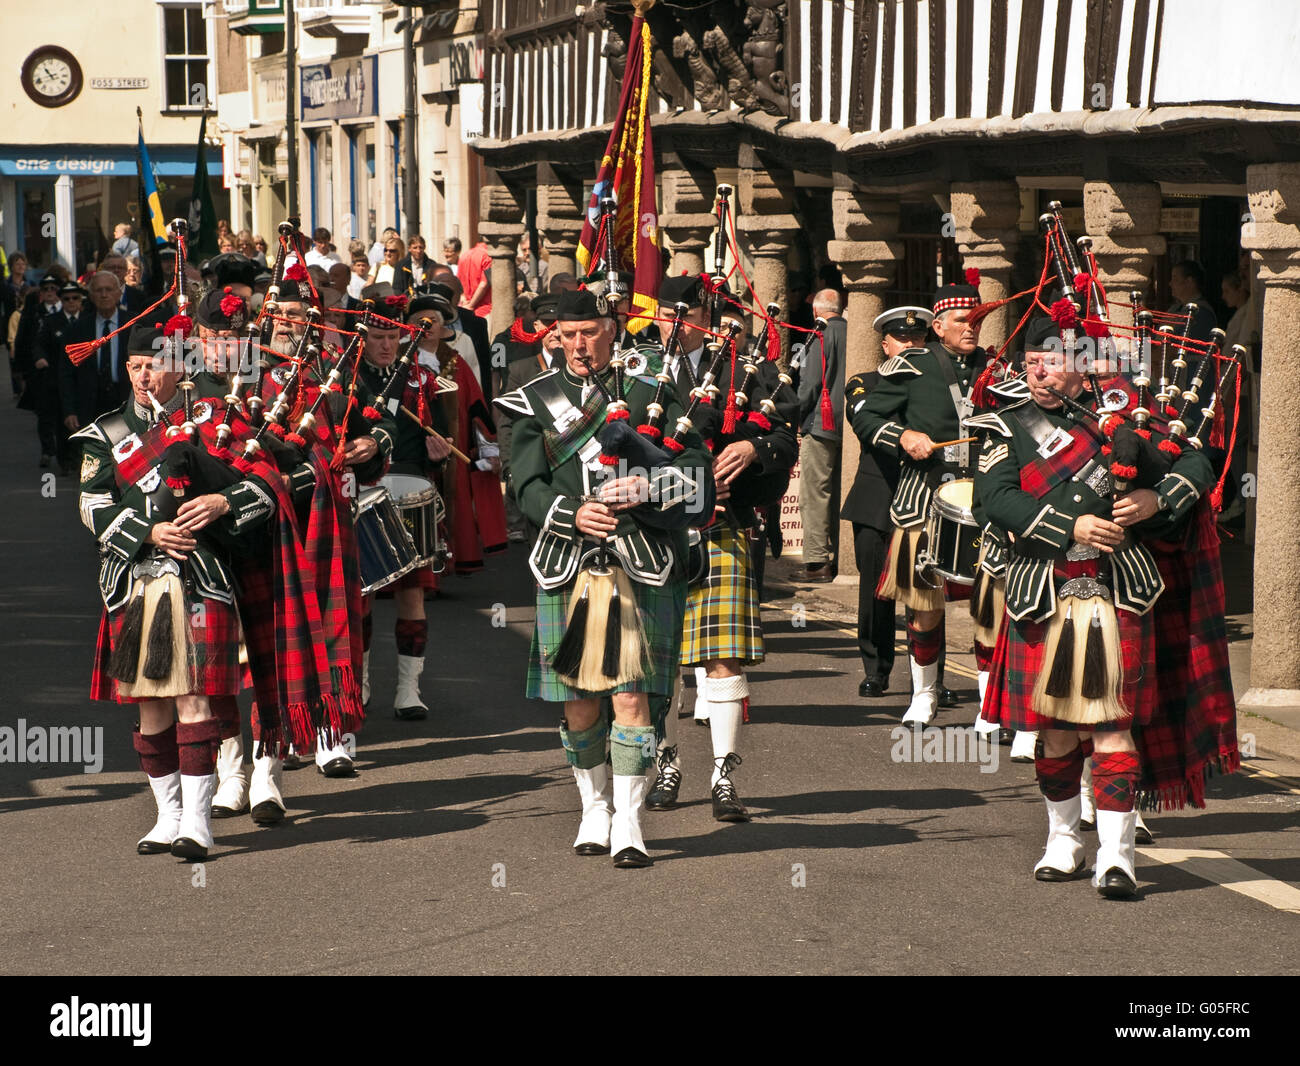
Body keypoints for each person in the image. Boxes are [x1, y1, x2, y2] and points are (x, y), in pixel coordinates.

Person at [977, 317, 1227, 897]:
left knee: (1115, 729)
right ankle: (1063, 842)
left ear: (1084, 364)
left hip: (1120, 591)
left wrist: (1153, 497)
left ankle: (1116, 858)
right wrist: (1072, 525)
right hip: (1044, 591)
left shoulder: (1127, 420)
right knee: (1057, 733)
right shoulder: (1007, 427)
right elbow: (997, 500)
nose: (1039, 372)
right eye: (1032, 363)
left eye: (1053, 360)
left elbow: (1198, 463)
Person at [499, 287, 713, 866]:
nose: (576, 346)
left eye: (587, 333)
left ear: (611, 328)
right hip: (571, 561)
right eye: (566, 336)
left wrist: (650, 487)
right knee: (578, 704)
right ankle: (594, 807)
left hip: (640, 554)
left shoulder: (653, 390)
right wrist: (569, 512)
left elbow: (695, 468)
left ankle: (629, 822)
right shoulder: (533, 400)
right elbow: (527, 483)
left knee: (633, 699)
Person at [73, 321, 285, 859]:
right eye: (137, 366)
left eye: (156, 365)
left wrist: (223, 503)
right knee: (150, 703)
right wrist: (147, 531)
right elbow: (92, 504)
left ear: (178, 365)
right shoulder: (108, 432)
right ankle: (167, 816)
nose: (146, 376)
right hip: (135, 580)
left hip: (201, 574)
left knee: (193, 696)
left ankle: (198, 822)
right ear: (126, 369)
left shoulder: (213, 420)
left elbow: (266, 483)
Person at [643, 274, 798, 822]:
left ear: (708, 318)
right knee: (659, 659)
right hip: (652, 529)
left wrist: (754, 448)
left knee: (720, 656)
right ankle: (665, 762)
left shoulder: (746, 368)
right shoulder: (635, 367)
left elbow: (784, 436)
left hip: (724, 525)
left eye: (685, 314)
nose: (675, 323)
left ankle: (723, 774)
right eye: (666, 313)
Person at [848, 275, 989, 725]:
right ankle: (924, 695)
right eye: (964, 322)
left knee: (990, 608)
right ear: (940, 325)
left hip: (987, 500)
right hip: (923, 499)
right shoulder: (913, 365)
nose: (972, 329)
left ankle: (990, 706)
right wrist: (902, 435)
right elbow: (867, 415)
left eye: (978, 322)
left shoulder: (997, 370)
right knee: (924, 605)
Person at [356, 296, 455, 718]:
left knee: (412, 595)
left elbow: (444, 439)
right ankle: (358, 683)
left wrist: (441, 454)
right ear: (362, 338)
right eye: (377, 337)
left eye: (393, 337)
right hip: (360, 492)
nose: (386, 346)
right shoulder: (345, 378)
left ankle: (408, 689)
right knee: (358, 596)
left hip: (410, 490)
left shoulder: (420, 378)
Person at [841, 306, 927, 698]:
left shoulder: (937, 384)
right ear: (885, 344)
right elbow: (865, 422)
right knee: (876, 590)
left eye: (918, 339)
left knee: (925, 592)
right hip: (879, 497)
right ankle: (876, 667)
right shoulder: (865, 383)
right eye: (902, 339)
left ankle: (929, 674)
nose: (910, 344)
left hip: (925, 497)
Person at [496, 294, 562, 541]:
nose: (554, 331)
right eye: (547, 324)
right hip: (535, 469)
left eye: (558, 324)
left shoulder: (582, 366)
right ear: (536, 327)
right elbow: (506, 423)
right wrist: (509, 468)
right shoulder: (520, 369)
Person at [796, 289, 846, 581]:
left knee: (814, 492)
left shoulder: (819, 333)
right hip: (849, 424)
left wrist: (795, 417)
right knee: (840, 493)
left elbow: (810, 382)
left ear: (816, 311)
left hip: (820, 422)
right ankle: (841, 557)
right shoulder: (856, 330)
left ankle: (816, 561)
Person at [1168, 260, 1218, 343]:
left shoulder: (1201, 313)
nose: (1170, 283)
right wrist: (1145, 354)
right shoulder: (1174, 308)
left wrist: (1148, 355)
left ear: (1189, 282)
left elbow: (1176, 348)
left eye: (1175, 279)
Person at [457, 239, 493, 319]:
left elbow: (458, 282)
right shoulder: (488, 255)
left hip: (465, 307)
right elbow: (484, 284)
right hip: (484, 309)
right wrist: (471, 305)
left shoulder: (464, 254)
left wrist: (464, 301)